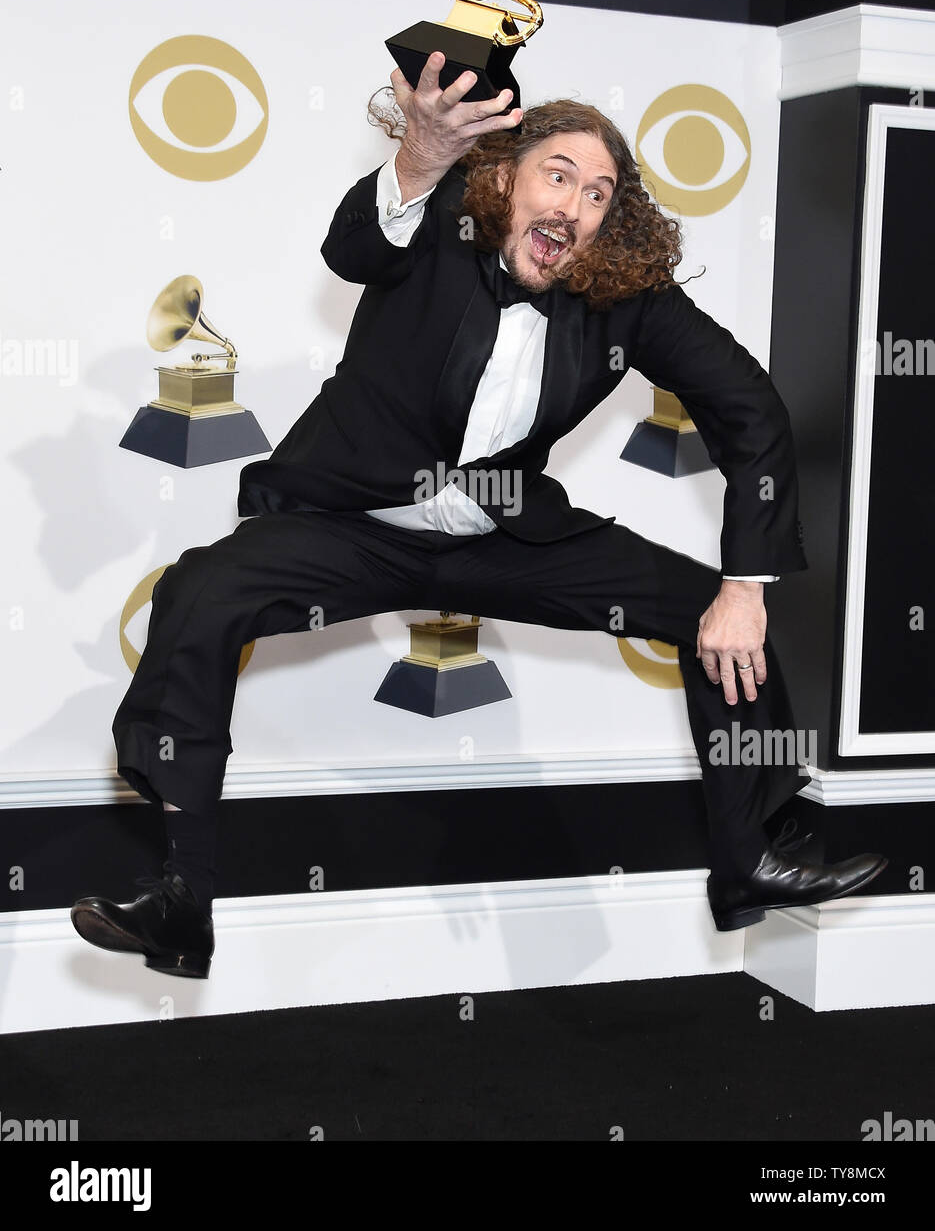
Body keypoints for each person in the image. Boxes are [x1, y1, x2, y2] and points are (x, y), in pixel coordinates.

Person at [71, 53, 886, 980]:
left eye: (598, 194)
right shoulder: (435, 228)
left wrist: (745, 584)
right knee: (201, 592)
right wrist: (419, 154)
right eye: (559, 175)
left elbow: (752, 414)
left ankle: (750, 860)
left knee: (720, 620)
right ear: (505, 176)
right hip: (353, 522)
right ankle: (183, 898)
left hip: (504, 532)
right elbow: (354, 247)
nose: (574, 206)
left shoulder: (626, 298)